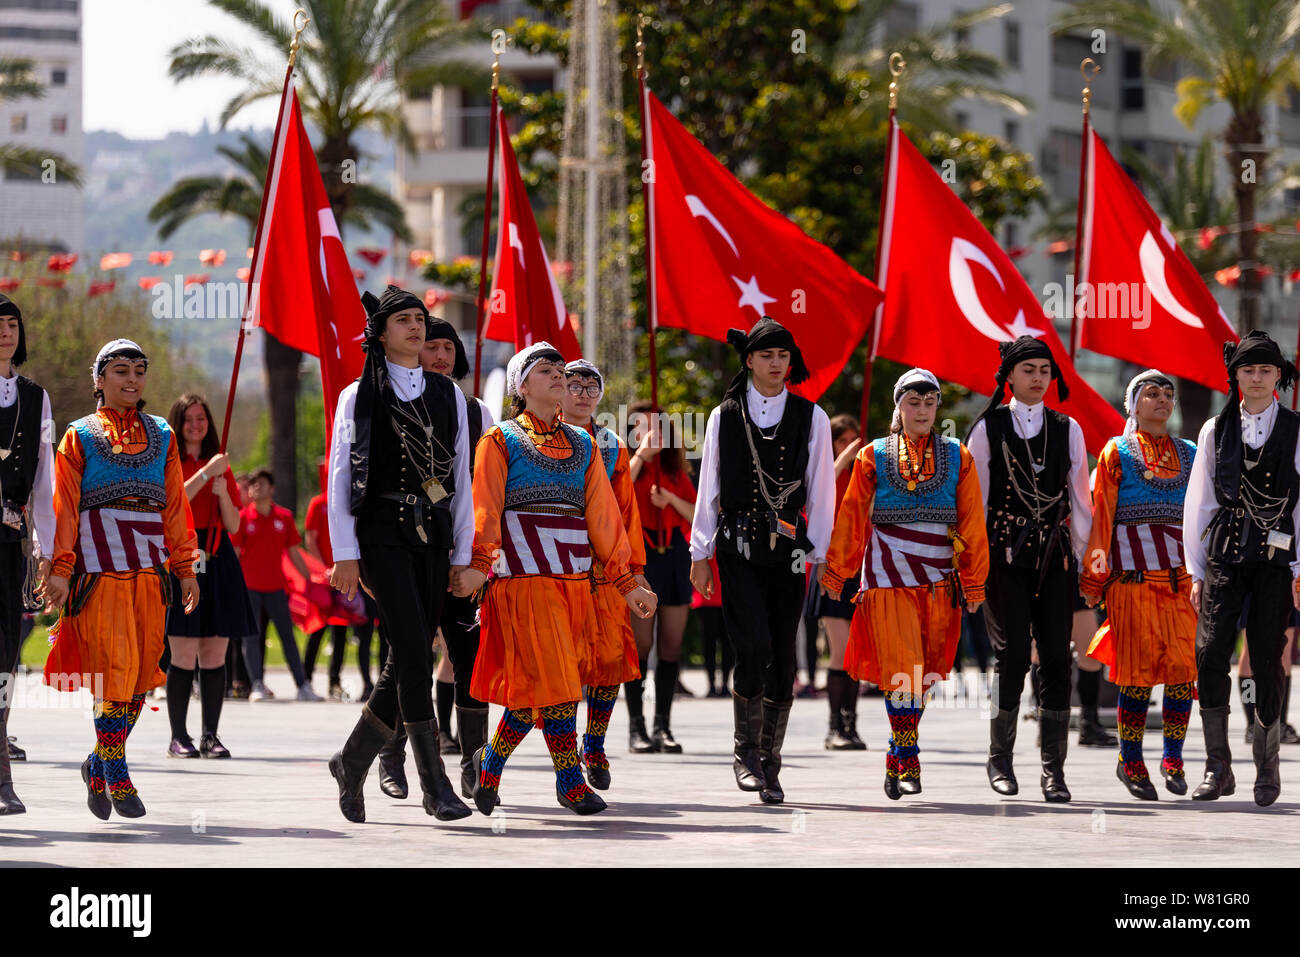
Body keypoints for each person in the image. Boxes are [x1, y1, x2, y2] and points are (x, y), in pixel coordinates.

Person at [456, 342, 658, 816]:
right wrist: (478, 566)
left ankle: (489, 765)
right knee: (562, 682)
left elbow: (604, 518)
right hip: (523, 582)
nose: (559, 377)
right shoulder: (500, 440)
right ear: (521, 386)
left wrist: (628, 583)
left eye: (561, 371)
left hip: (575, 585)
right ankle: (569, 781)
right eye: (546, 370)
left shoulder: (586, 444)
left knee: (535, 691)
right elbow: (484, 508)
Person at [325, 285, 474, 824]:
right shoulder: (357, 393)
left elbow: (460, 479)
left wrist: (464, 551)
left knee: (405, 659)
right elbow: (342, 474)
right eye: (404, 320)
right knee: (413, 651)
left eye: (420, 319)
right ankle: (436, 788)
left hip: (434, 534)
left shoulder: (448, 394)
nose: (416, 327)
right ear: (381, 333)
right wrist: (345, 552)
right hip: (382, 535)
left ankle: (352, 759)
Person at [42, 339, 200, 819]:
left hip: (150, 572)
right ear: (99, 379)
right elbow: (63, 508)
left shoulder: (164, 434)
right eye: (120, 371)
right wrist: (62, 570)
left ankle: (95, 762)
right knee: (113, 670)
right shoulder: (79, 436)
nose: (131, 379)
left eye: (138, 370)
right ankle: (117, 772)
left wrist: (186, 566)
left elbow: (175, 506)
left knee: (140, 677)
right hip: (98, 569)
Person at [821, 369, 987, 799]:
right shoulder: (873, 455)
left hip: (939, 580)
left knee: (925, 673)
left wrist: (973, 581)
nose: (922, 410)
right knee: (903, 670)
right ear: (899, 405)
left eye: (930, 402)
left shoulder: (960, 456)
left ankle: (897, 752)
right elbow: (853, 515)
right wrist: (838, 571)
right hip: (888, 577)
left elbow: (971, 521)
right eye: (914, 402)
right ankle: (910, 757)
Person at [689, 317, 835, 805]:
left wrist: (817, 547)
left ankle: (770, 764)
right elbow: (709, 485)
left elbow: (821, 487)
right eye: (766, 355)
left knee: (784, 654)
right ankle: (744, 751)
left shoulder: (811, 416)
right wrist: (700, 552)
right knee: (750, 646)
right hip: (736, 545)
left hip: (791, 551)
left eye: (783, 356)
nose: (776, 364)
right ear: (748, 359)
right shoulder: (723, 416)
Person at [375, 313, 498, 801]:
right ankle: (389, 753)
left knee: (470, 656)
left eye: (449, 347)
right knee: (407, 659)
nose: (441, 355)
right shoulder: (386, 402)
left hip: (463, 558)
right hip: (409, 553)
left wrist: (480, 559)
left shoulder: (476, 411)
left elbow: (487, 492)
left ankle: (474, 763)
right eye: (433, 346)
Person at [966, 336, 1093, 803]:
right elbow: (973, 504)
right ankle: (1000, 758)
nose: (1038, 377)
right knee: (1015, 655)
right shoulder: (987, 428)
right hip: (1003, 557)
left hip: (1056, 558)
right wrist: (972, 569)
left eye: (1044, 369)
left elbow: (1081, 500)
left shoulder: (1068, 428)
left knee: (1059, 658)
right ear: (1010, 377)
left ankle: (1053, 771)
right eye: (1028, 370)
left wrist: (1086, 562)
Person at [1184, 331, 1300, 807]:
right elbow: (1200, 502)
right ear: (1235, 375)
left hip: (1276, 562)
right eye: (1248, 370)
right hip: (1225, 557)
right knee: (1210, 652)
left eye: (1265, 370)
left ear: (1278, 376)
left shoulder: (1296, 427)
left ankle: (1266, 766)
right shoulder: (1215, 429)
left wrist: (1299, 566)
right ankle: (1218, 766)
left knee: (1268, 660)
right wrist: (1195, 571)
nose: (1256, 378)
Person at [1080, 371, 1198, 799]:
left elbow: (1202, 518)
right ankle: (1130, 759)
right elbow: (1101, 520)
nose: (1163, 399)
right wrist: (1095, 577)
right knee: (1138, 677)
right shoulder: (1117, 453)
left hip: (1181, 584)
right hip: (1131, 583)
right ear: (1133, 404)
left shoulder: (1191, 452)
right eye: (1152, 393)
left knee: (1184, 674)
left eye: (1169, 393)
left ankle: (1173, 757)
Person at [560, 359, 647, 784]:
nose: (582, 393)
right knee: (566, 659)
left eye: (590, 385)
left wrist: (634, 568)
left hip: (608, 565)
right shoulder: (539, 438)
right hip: (556, 561)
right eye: (572, 385)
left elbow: (626, 509)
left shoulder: (613, 445)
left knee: (610, 657)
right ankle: (564, 753)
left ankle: (593, 744)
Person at [163, 393, 257, 760]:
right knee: (183, 652)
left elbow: (233, 523)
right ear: (179, 422)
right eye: (189, 419)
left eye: (201, 418)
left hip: (217, 558)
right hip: (185, 557)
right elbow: (175, 505)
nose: (196, 425)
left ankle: (210, 736)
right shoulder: (170, 461)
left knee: (214, 652)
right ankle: (178, 736)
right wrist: (206, 475)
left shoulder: (222, 468)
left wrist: (222, 493)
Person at [0, 293, 54, 814]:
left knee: (6, 649)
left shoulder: (36, 397)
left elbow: (44, 479)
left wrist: (46, 551)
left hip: (10, 541)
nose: (5, 331)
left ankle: (0, 765)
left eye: (12, 323)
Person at [625, 398, 697, 752]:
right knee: (641, 644)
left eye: (657, 426)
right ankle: (636, 727)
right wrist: (641, 456)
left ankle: (662, 726)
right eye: (642, 426)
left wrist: (669, 497)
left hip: (675, 557)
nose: (650, 432)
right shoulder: (628, 465)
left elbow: (695, 513)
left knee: (670, 644)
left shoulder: (674, 472)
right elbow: (614, 493)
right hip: (642, 558)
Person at [233, 470, 322, 701]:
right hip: (249, 588)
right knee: (251, 638)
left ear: (272, 489)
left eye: (262, 484)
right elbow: (234, 554)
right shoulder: (243, 518)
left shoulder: (284, 517)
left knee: (287, 637)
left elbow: (294, 553)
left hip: (276, 588)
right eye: (253, 485)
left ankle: (303, 686)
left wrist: (311, 580)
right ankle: (257, 685)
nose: (256, 488)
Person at [818, 412, 868, 750]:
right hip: (833, 570)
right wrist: (842, 459)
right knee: (841, 652)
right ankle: (835, 727)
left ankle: (851, 724)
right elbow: (817, 494)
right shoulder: (828, 472)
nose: (849, 444)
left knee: (858, 653)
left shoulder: (864, 475)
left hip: (863, 570)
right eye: (841, 439)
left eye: (854, 438)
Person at [691, 554, 733, 697]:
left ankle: (726, 683)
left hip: (728, 595)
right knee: (709, 643)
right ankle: (711, 684)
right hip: (706, 598)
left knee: (728, 643)